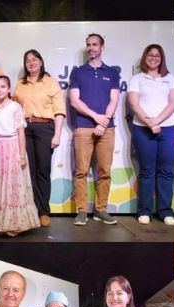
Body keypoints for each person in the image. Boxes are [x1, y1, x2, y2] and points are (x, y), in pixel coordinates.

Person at [69, 34, 120, 226]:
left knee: (105, 171)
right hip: (83, 128)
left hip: (107, 129)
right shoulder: (78, 72)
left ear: (102, 47)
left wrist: (103, 122)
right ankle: (82, 211)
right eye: (88, 45)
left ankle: (101, 210)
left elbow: (114, 100)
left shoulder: (113, 73)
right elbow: (75, 101)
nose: (91, 48)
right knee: (81, 171)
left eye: (95, 44)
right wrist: (96, 117)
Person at [15, 49, 64, 228]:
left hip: (45, 128)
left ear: (41, 62)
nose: (31, 63)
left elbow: (59, 111)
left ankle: (43, 212)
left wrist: (57, 134)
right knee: (28, 171)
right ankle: (30, 210)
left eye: (35, 59)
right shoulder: (21, 84)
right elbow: (14, 109)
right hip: (25, 128)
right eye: (28, 60)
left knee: (43, 170)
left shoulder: (51, 82)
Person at [128, 44, 174, 226]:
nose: (153, 58)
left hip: (167, 128)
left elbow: (172, 104)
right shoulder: (137, 78)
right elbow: (133, 104)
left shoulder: (170, 78)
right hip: (142, 128)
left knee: (166, 170)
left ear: (162, 58)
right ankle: (144, 211)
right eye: (150, 55)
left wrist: (157, 122)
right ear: (145, 57)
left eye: (157, 55)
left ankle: (165, 211)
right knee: (147, 170)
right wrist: (149, 123)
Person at [0, 75, 39, 236]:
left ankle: (15, 223)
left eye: (3, 86)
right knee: (0, 184)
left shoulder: (15, 107)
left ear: (8, 89)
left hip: (13, 147)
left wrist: (22, 154)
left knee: (14, 185)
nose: (0, 89)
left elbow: (20, 131)